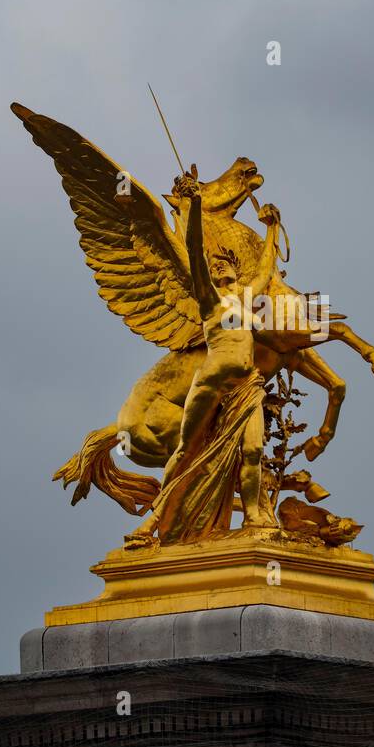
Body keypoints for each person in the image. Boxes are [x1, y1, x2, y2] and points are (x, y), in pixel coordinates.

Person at [124, 173, 282, 547]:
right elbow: (194, 248)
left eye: (228, 264)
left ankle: (256, 516)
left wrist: (272, 229)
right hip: (211, 383)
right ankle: (155, 518)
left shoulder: (247, 298)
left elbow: (264, 269)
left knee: (255, 451)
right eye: (219, 266)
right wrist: (192, 207)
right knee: (186, 450)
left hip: (246, 386)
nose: (225, 265)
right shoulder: (209, 299)